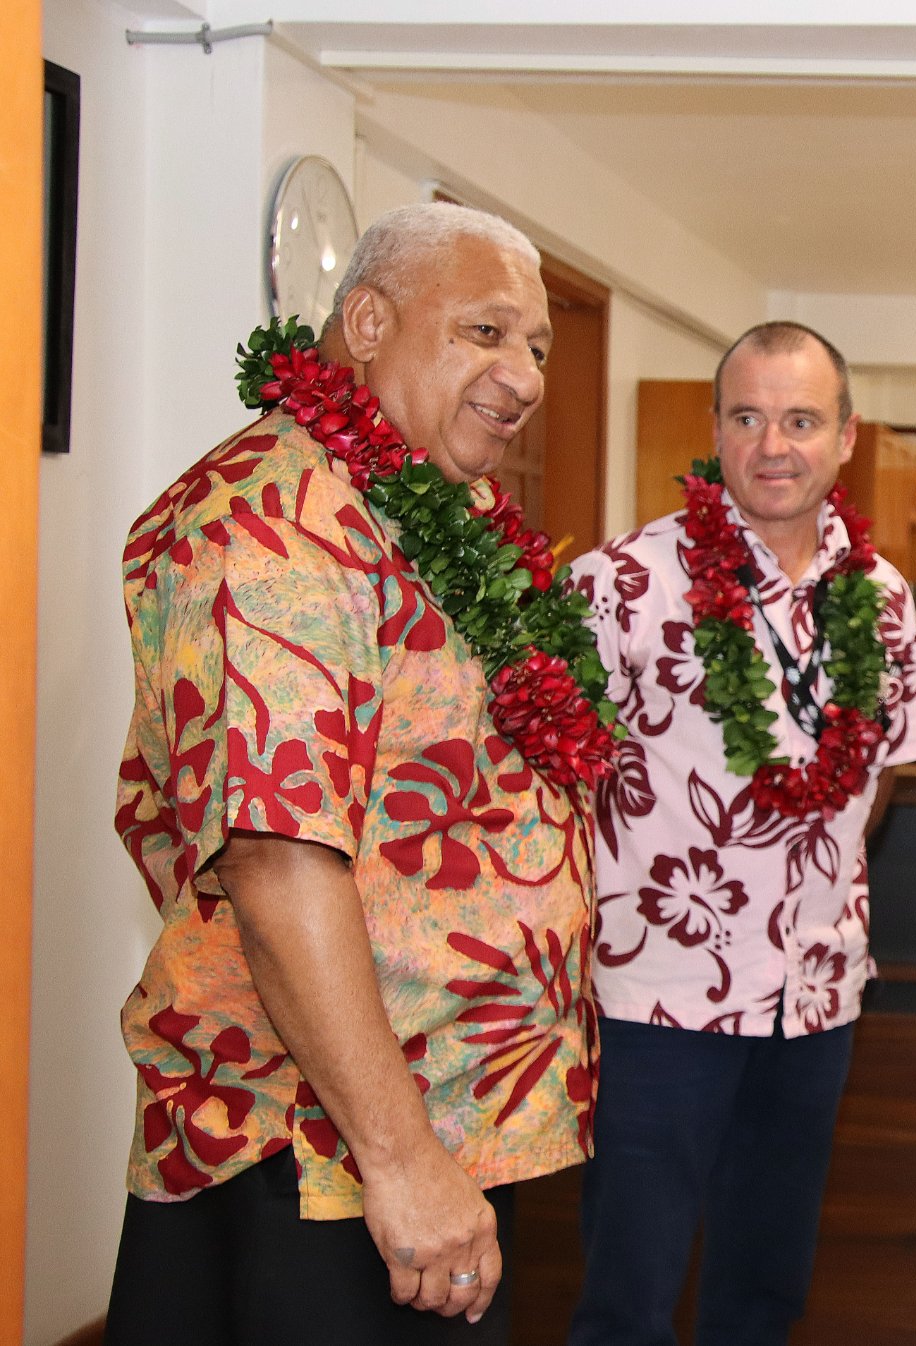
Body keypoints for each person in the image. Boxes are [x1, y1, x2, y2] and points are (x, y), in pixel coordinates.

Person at [108, 202, 596, 1345]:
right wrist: (403, 1159)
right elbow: (277, 860)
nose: (520, 373)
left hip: (438, 1119)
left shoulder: (430, 508)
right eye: (483, 331)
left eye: (535, 345)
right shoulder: (272, 524)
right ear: (366, 320)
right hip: (318, 1143)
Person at [565, 320, 916, 1346]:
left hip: (814, 991)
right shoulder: (620, 582)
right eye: (748, 416)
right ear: (716, 431)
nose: (774, 444)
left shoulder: (884, 597)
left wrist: (821, 874)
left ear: (846, 435)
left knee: (764, 1286)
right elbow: (549, 773)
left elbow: (879, 772)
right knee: (626, 1292)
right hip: (657, 993)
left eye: (801, 418)